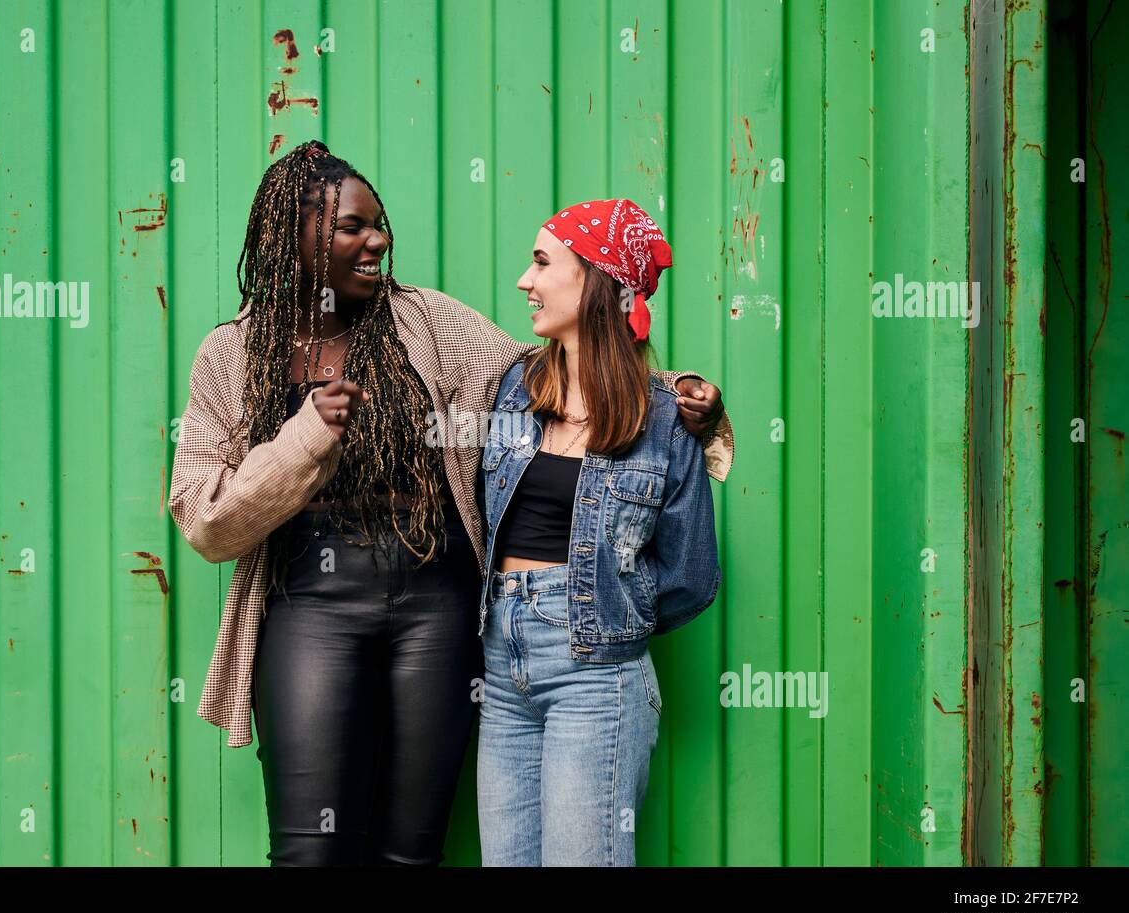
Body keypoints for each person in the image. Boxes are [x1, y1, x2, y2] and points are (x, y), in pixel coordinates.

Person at [168, 143, 733, 865]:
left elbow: (558, 375)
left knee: (411, 852)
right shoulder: (234, 354)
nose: (376, 240)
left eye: (380, 224)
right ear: (295, 235)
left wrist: (682, 397)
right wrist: (303, 438)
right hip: (311, 610)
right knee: (311, 853)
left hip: (438, 614)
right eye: (352, 227)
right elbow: (203, 519)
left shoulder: (426, 323)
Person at [476, 199, 721, 866]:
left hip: (597, 677)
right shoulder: (513, 391)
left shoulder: (667, 419)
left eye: (541, 262)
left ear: (596, 282)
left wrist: (609, 612)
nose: (525, 281)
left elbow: (692, 573)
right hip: (500, 671)